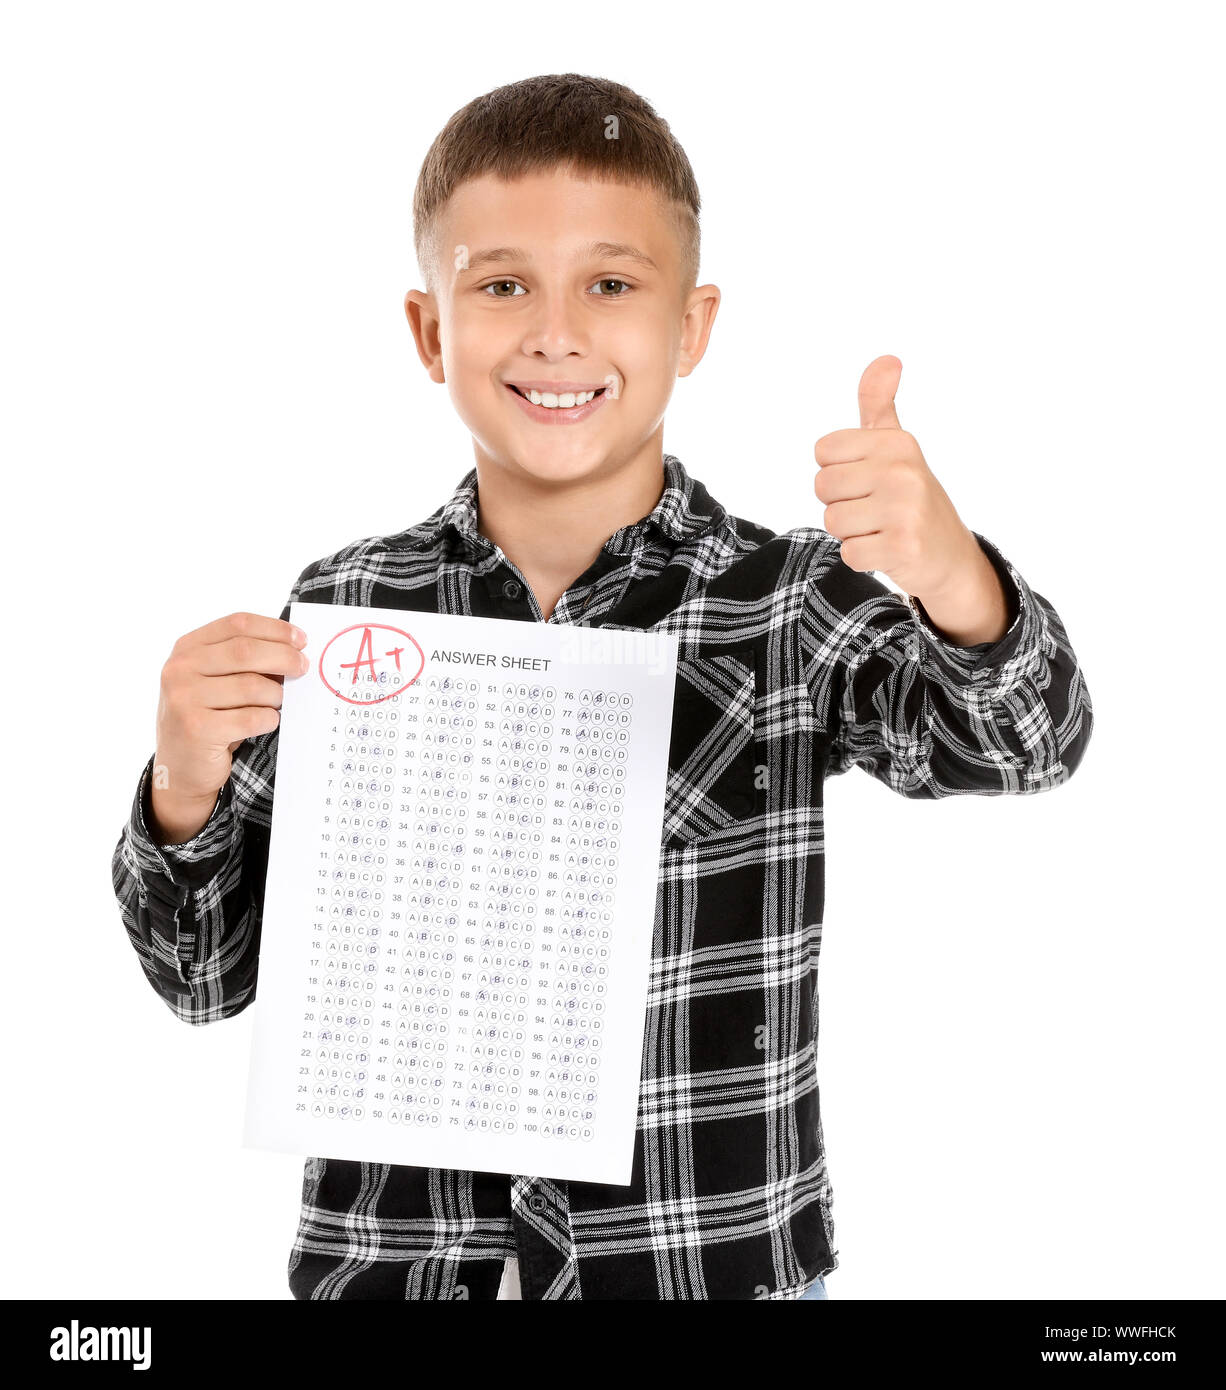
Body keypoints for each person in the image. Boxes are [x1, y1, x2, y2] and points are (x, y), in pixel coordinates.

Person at [111, 72, 1094, 1301]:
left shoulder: (784, 601)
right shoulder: (345, 604)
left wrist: (952, 573)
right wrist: (184, 779)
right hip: (400, 1273)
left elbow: (1028, 742)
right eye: (503, 283)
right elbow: (203, 979)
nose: (555, 331)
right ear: (431, 330)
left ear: (690, 327)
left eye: (612, 285)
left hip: (704, 1268)